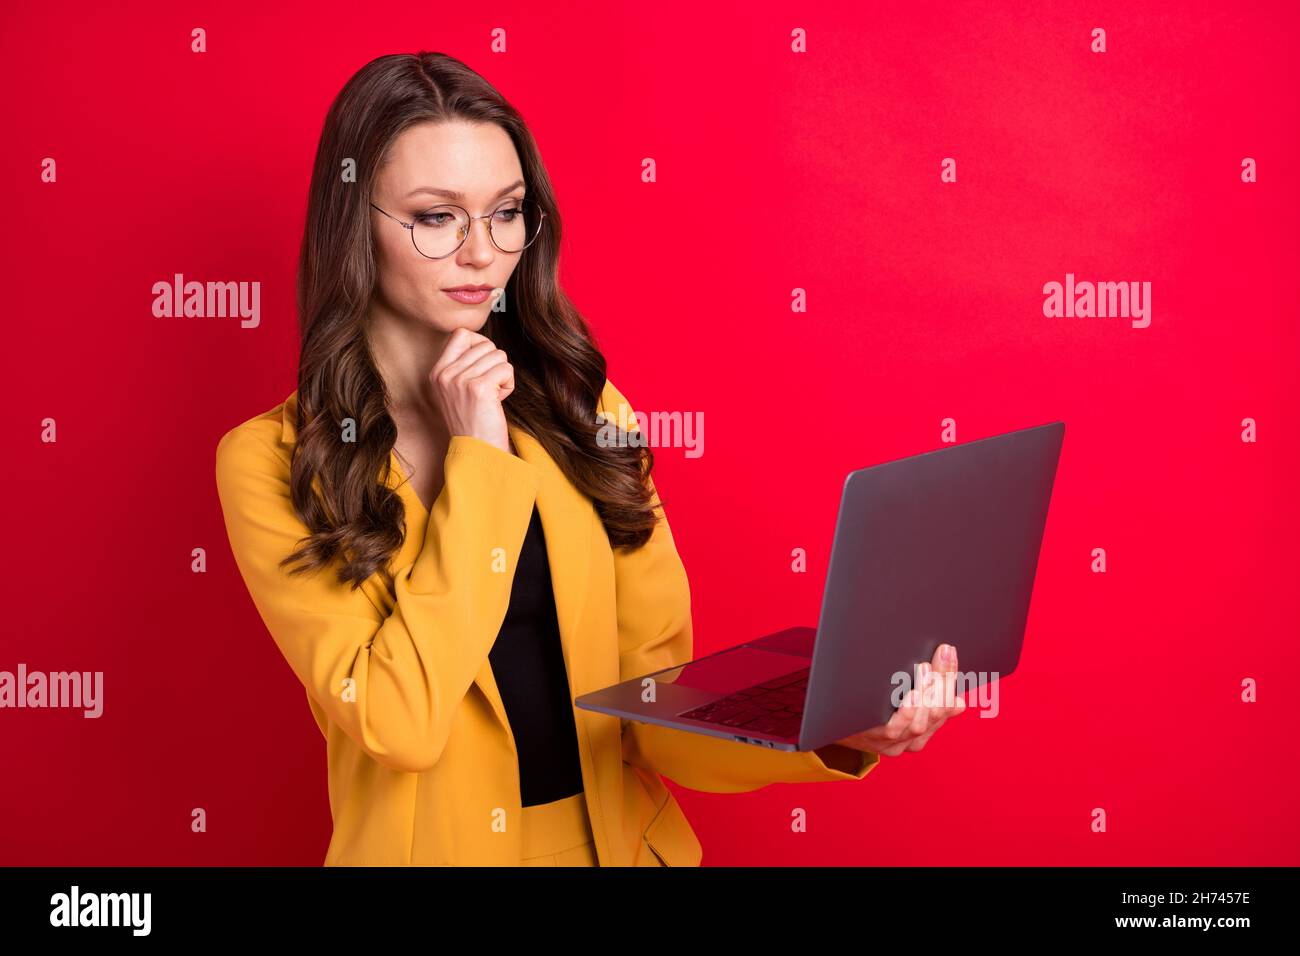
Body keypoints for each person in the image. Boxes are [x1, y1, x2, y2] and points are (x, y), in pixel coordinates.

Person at [214, 50, 965, 867]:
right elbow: (400, 721)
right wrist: (479, 457)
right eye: (436, 218)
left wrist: (839, 722)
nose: (481, 253)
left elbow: (656, 712)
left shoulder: (587, 411)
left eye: (506, 211)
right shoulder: (274, 461)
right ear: (353, 221)